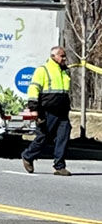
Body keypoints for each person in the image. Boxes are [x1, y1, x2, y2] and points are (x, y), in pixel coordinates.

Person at [21, 46, 72, 176]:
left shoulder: (64, 72)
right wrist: (33, 109)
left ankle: (59, 166)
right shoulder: (43, 70)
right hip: (47, 111)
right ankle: (28, 156)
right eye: (62, 56)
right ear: (53, 56)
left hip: (62, 112)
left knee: (63, 137)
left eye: (64, 56)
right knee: (43, 137)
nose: (64, 58)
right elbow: (33, 89)